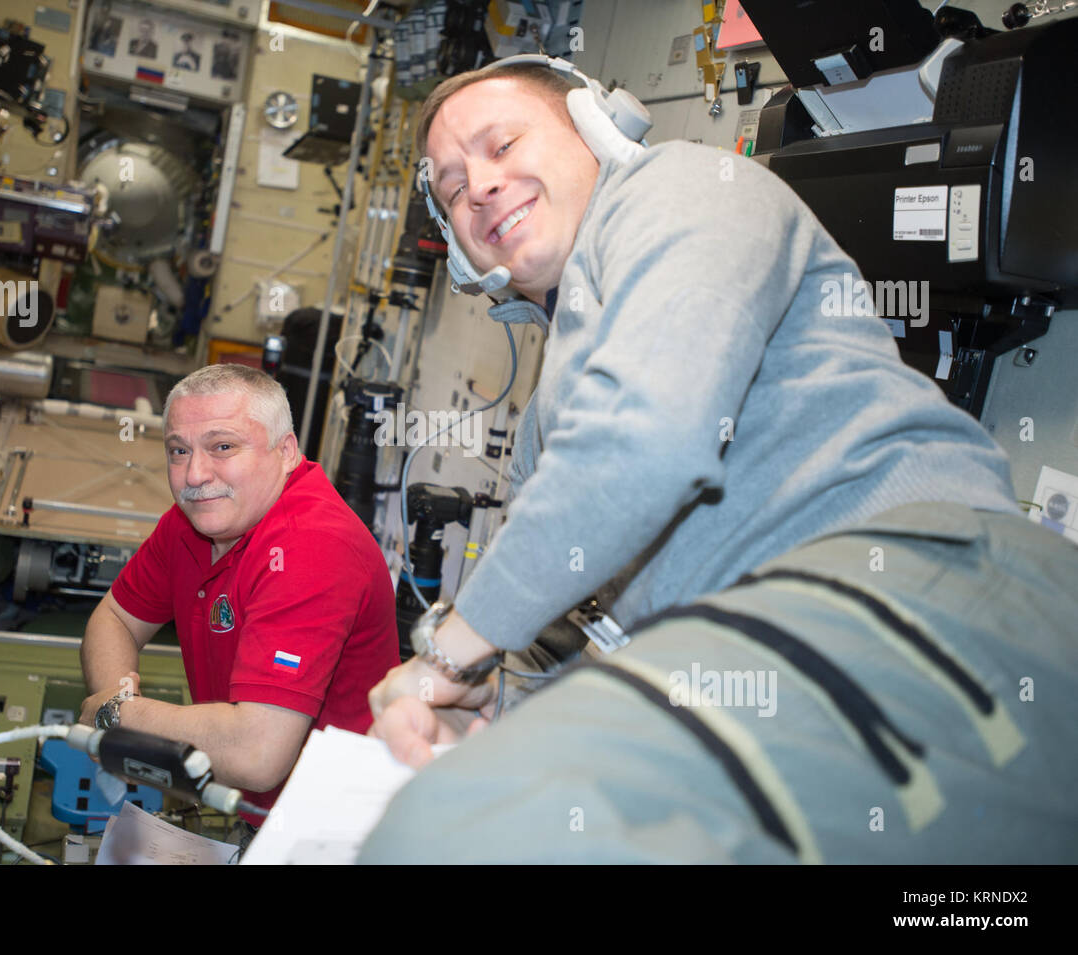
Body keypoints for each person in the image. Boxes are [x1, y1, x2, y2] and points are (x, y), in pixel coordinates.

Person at [359, 60, 1078, 863]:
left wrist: (448, 654)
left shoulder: (682, 188)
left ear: (601, 127)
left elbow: (649, 440)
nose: (482, 188)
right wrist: (490, 707)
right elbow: (558, 632)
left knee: (449, 835)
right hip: (792, 657)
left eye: (502, 145)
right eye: (454, 188)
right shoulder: (548, 423)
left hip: (931, 589)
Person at [80, 364, 399, 822]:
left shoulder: (313, 547)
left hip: (332, 832)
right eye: (178, 451)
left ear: (286, 451)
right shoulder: (190, 523)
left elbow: (256, 754)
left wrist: (118, 717)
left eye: (223, 446)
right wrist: (116, 698)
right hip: (249, 809)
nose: (194, 474)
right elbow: (115, 618)